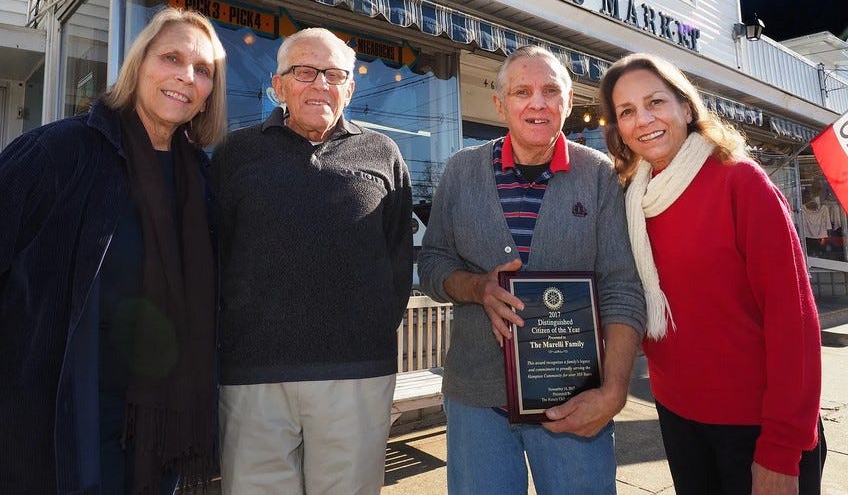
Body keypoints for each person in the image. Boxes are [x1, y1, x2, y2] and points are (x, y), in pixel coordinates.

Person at [0, 7, 228, 494]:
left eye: (203, 69)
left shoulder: (203, 184)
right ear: (139, 63)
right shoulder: (60, 152)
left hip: (159, 429)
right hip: (59, 416)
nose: (186, 77)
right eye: (172, 57)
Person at [417, 45, 646, 494]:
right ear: (500, 104)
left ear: (567, 101)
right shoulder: (462, 171)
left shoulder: (601, 176)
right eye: (522, 91)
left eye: (550, 91)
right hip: (476, 398)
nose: (537, 103)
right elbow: (432, 262)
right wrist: (477, 287)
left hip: (575, 399)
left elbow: (623, 287)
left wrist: (614, 391)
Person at [599, 52, 825, 495]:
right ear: (619, 129)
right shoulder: (632, 197)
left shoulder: (740, 182)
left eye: (655, 102)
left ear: (686, 106)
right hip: (679, 418)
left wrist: (780, 447)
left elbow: (793, 322)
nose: (643, 119)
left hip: (755, 427)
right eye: (627, 111)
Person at [213, 27, 413, 495]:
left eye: (334, 74)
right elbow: (216, 254)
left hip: (356, 373)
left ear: (350, 88)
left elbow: (398, 257)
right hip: (253, 375)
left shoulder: (383, 154)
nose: (320, 83)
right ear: (278, 85)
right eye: (304, 71)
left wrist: (372, 332)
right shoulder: (234, 154)